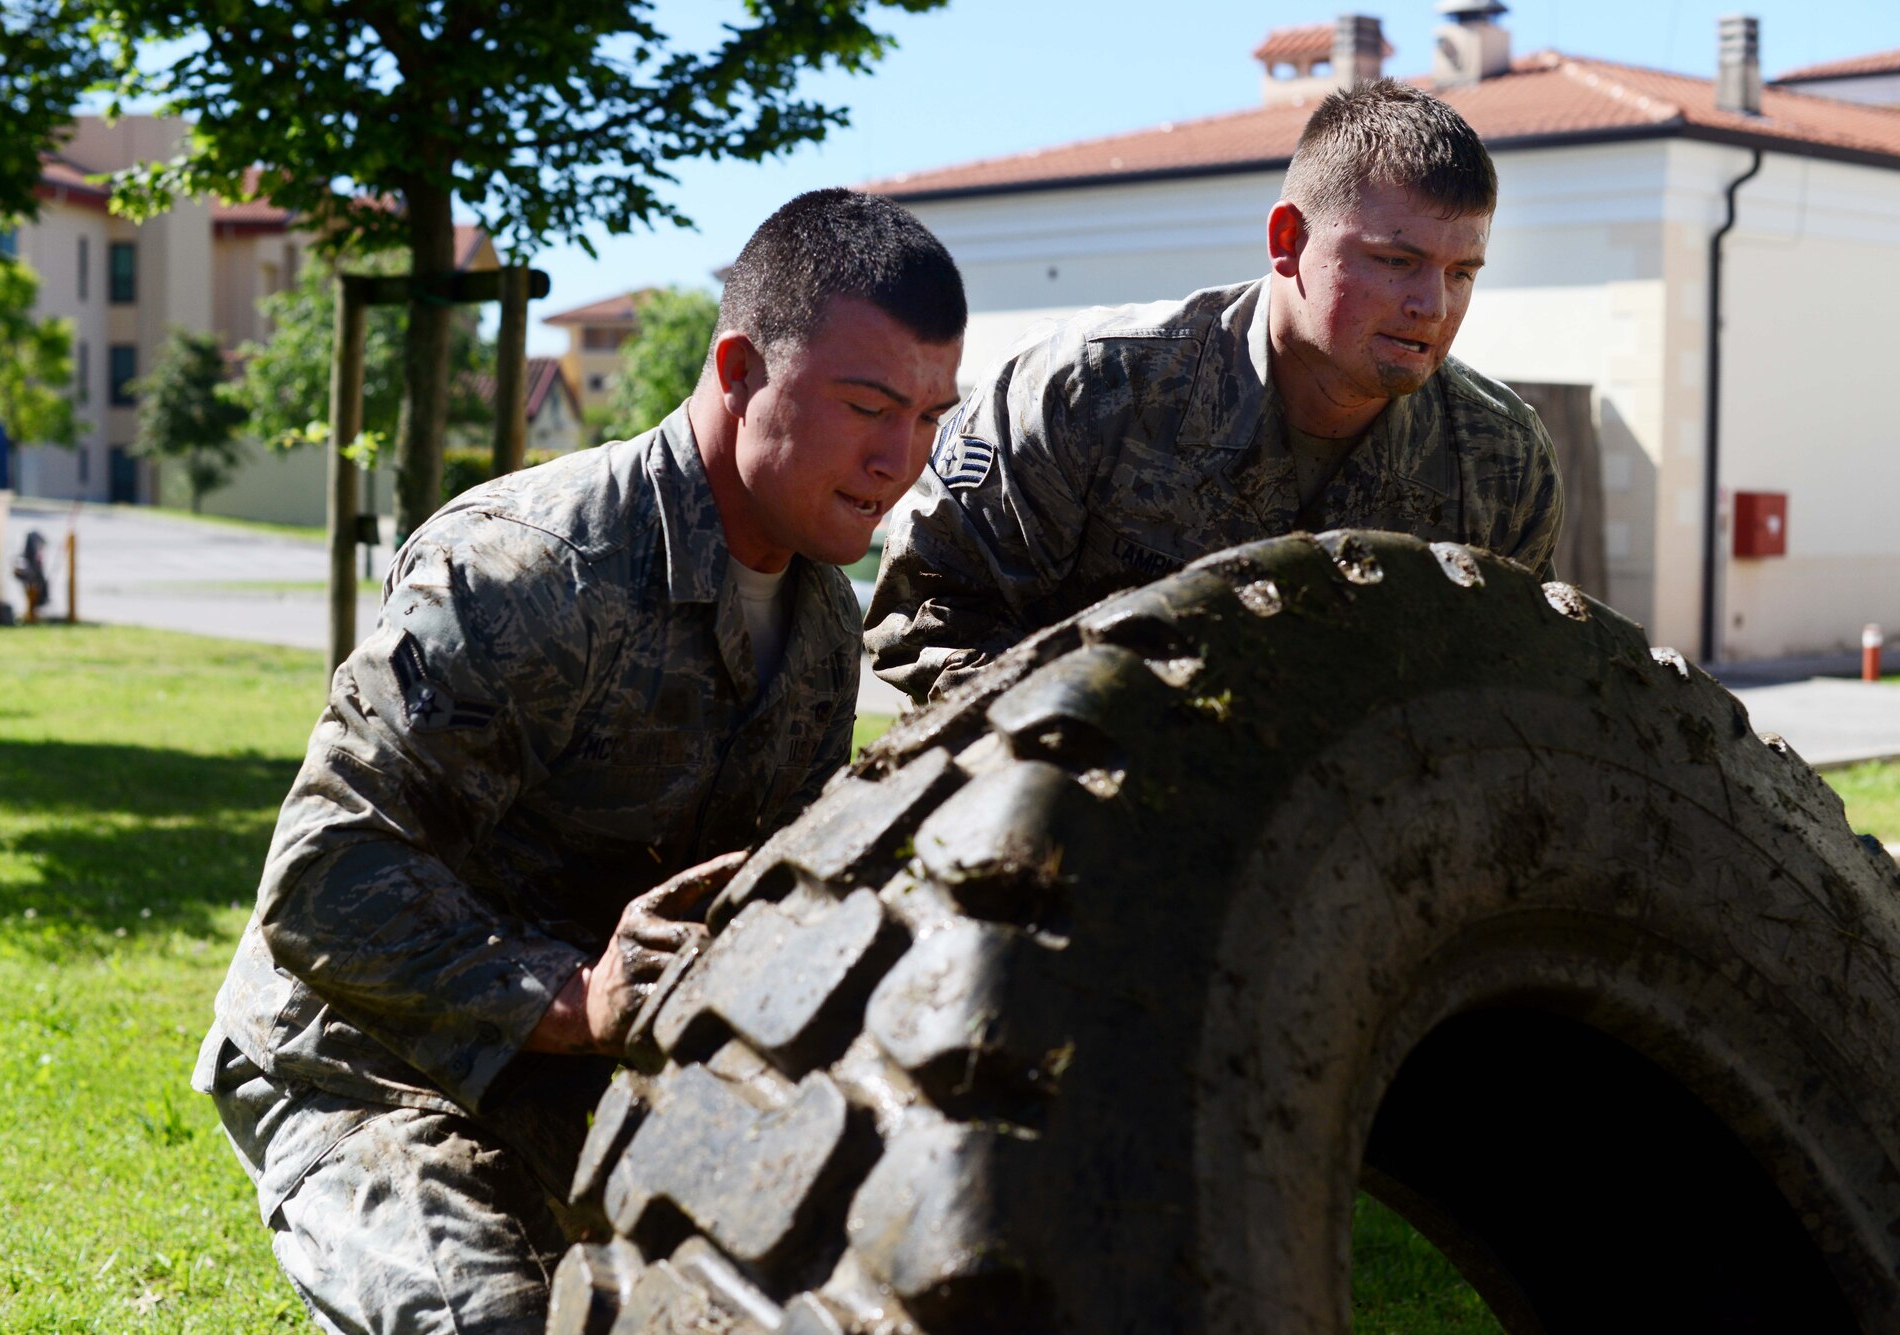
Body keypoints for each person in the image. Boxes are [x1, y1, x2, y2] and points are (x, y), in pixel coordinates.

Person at [190, 187, 965, 1334]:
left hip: (575, 1071)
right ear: (740, 367)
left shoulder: (819, 624)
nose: (900, 458)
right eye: (867, 407)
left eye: (929, 416)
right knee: (499, 1320)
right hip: (364, 1058)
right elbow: (321, 888)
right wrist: (573, 996)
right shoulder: (524, 570)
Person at [866, 79, 1562, 704]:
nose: (1432, 305)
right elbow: (927, 617)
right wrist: (1116, 727)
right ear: (1287, 240)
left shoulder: (1499, 457)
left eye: (1462, 272)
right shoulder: (1088, 389)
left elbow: (1513, 687)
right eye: (1397, 261)